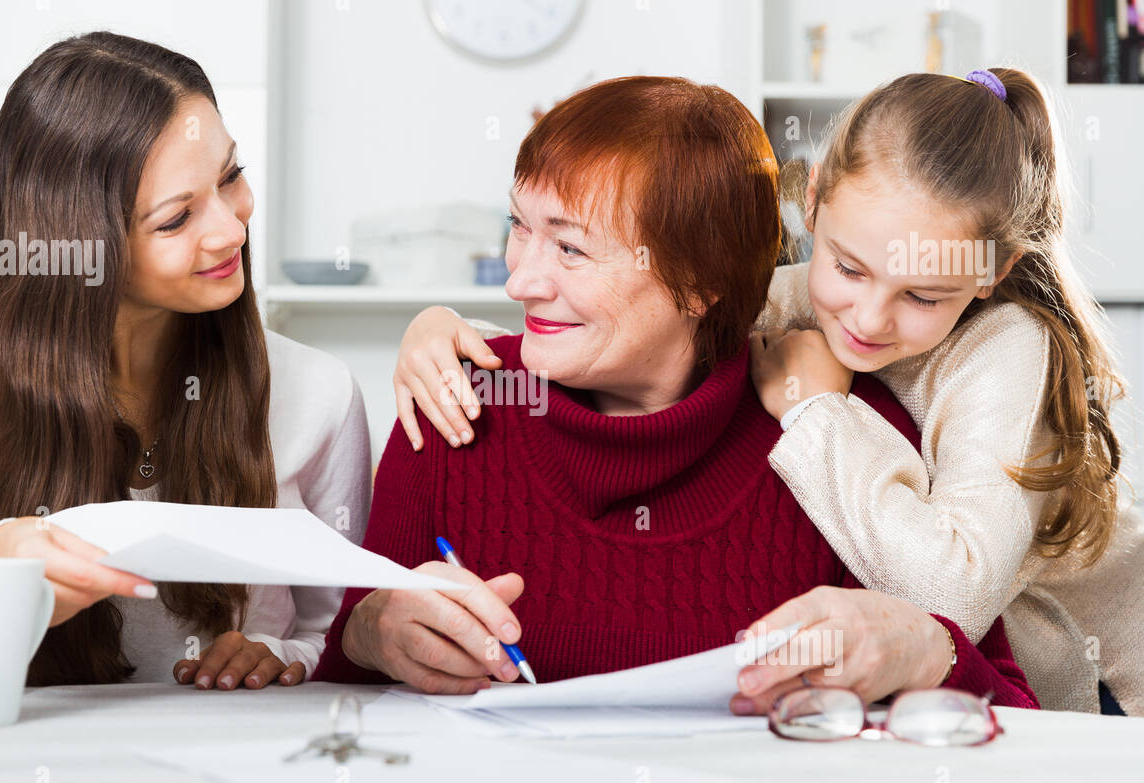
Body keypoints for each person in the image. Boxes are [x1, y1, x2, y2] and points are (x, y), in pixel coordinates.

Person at [391, 69, 1143, 716]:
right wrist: (445, 328)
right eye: (847, 269)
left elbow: (957, 601)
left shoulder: (1007, 349)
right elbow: (632, 307)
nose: (869, 319)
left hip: (1090, 663)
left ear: (993, 270)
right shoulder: (784, 299)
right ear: (811, 205)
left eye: (923, 294)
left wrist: (815, 410)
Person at [0, 32, 370, 690]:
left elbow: (347, 632)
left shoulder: (318, 394)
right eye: (177, 219)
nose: (234, 228)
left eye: (231, 176)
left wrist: (280, 653)